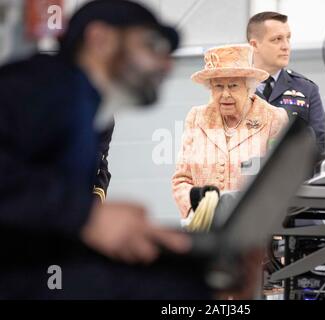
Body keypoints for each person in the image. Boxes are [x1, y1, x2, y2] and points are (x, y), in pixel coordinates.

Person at [0, 0, 214, 299]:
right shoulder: (50, 85)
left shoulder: (87, 112)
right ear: (99, 39)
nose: (166, 65)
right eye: (152, 45)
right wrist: (86, 215)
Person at [172, 44, 289, 219]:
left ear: (249, 87)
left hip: (255, 228)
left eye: (233, 86)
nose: (225, 94)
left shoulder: (274, 118)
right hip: (205, 228)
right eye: (218, 86)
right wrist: (197, 212)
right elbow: (181, 180)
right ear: (211, 88)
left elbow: (282, 179)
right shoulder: (196, 117)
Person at [247, 11, 325, 152]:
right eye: (277, 39)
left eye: (288, 38)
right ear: (254, 45)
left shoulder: (307, 89)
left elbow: (321, 143)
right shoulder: (235, 88)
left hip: (292, 171)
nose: (286, 46)